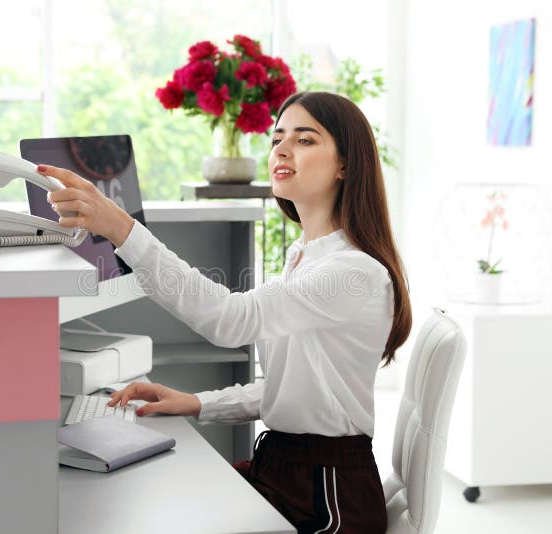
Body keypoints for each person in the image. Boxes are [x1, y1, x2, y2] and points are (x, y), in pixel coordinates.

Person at [38, 91, 412, 534]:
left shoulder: (351, 272)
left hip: (326, 495)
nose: (283, 149)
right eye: (277, 139)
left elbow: (230, 320)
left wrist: (122, 230)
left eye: (305, 140)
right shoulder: (304, 257)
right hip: (285, 469)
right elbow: (293, 390)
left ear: (346, 165)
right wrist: (197, 403)